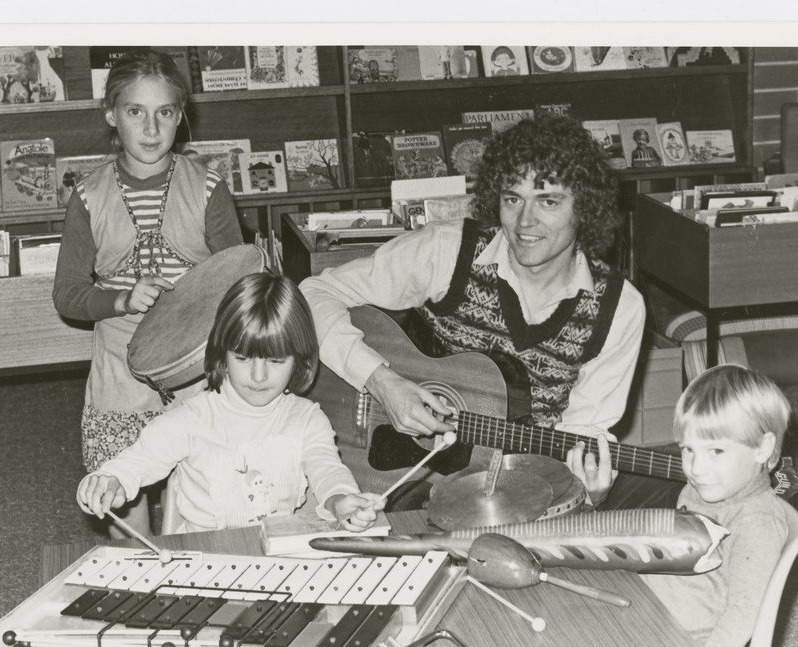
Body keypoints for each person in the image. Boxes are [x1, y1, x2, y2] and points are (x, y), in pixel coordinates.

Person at [300, 113, 671, 510]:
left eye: (548, 201)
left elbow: (583, 433)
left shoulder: (619, 308)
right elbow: (312, 293)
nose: (525, 222)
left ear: (585, 208)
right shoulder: (446, 251)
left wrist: (585, 492)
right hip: (396, 480)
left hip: (515, 490)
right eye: (513, 198)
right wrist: (381, 382)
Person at [53, 49, 244, 538]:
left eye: (165, 113)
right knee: (125, 514)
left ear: (181, 117)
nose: (152, 128)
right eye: (136, 112)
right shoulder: (89, 195)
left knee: (207, 505)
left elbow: (241, 279)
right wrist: (119, 300)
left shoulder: (208, 185)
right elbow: (69, 294)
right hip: (121, 373)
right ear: (111, 115)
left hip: (201, 372)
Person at [75, 273, 385, 535]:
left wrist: (341, 499)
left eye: (276, 360)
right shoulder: (192, 419)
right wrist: (110, 481)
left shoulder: (307, 419)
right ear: (222, 352)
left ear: (299, 360)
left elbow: (328, 470)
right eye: (242, 357)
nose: (259, 375)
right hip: (208, 557)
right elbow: (137, 461)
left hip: (278, 555)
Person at [640, 364, 793, 647]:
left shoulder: (757, 521)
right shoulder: (700, 489)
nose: (696, 469)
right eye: (688, 450)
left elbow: (746, 608)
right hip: (652, 615)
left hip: (687, 646)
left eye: (716, 451)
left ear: (762, 448)